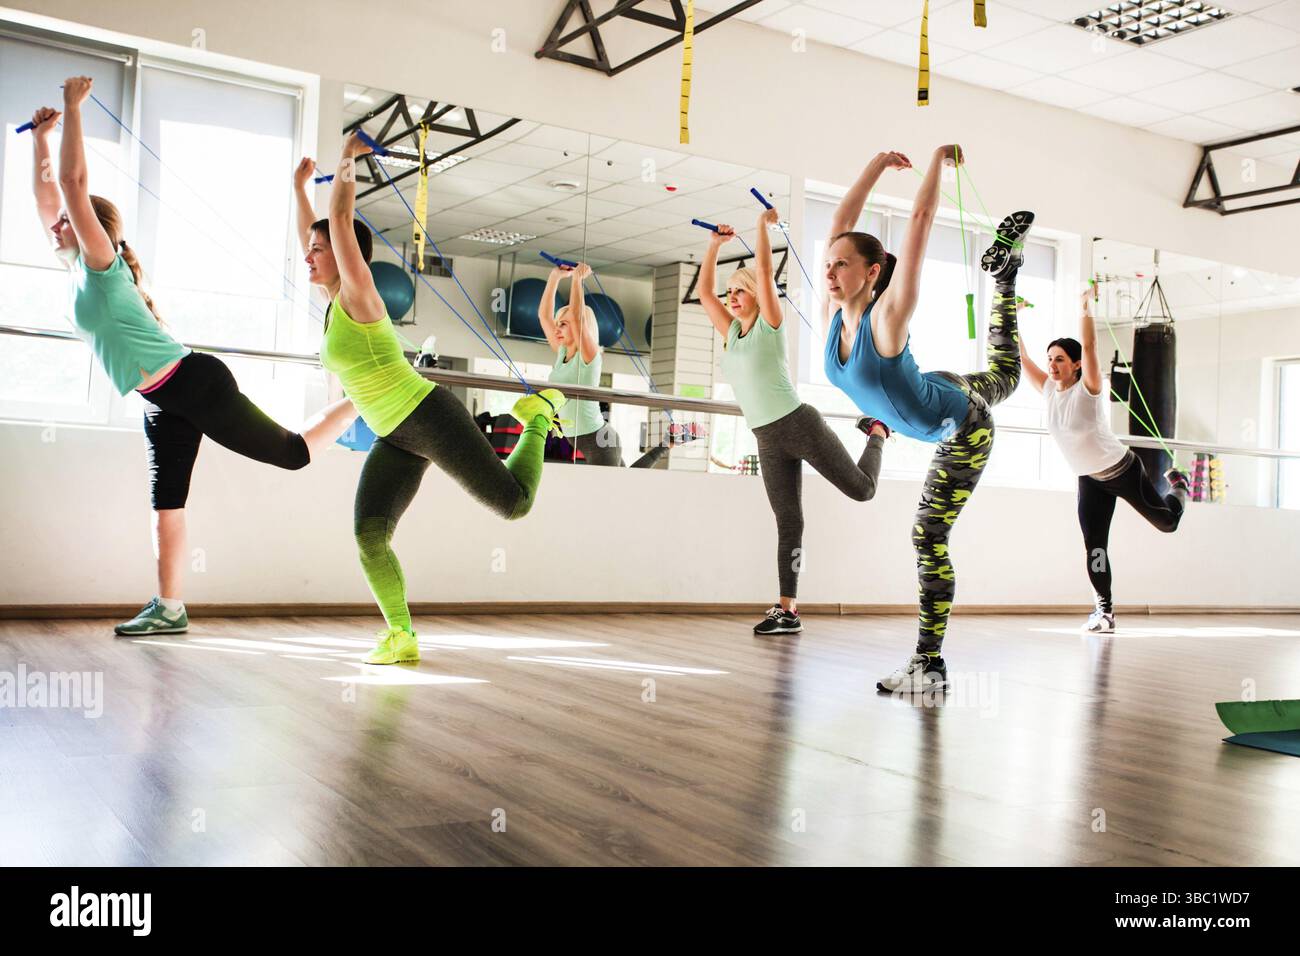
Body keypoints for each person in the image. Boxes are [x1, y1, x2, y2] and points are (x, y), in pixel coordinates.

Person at [30, 77, 357, 638]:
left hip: (194, 383)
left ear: (94, 232)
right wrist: (41, 137)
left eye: (68, 219)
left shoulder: (99, 264)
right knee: (166, 506)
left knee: (293, 455)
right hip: (160, 400)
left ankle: (359, 401)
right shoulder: (73, 270)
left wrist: (71, 109)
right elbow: (48, 195)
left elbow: (71, 183)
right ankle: (170, 607)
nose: (56, 222)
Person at [299, 136, 566, 665]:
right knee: (369, 534)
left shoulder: (360, 294)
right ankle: (401, 635)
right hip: (393, 434)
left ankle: (537, 417)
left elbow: (341, 215)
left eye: (319, 248)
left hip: (427, 415)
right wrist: (295, 188)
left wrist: (346, 160)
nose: (308, 256)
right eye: (308, 248)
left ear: (347, 254)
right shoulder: (330, 302)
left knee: (512, 504)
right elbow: (321, 230)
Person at [821, 145, 1034, 692]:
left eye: (842, 264)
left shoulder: (888, 316)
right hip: (940, 388)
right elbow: (840, 226)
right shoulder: (832, 318)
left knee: (927, 537)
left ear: (872, 273)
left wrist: (937, 163)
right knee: (1007, 372)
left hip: (963, 426)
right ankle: (1006, 277)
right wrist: (872, 165)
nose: (830, 270)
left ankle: (929, 665)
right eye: (829, 262)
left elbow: (919, 220)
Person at [698, 205, 888, 635]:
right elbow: (706, 295)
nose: (732, 297)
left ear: (756, 296)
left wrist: (761, 229)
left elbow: (766, 274)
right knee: (789, 521)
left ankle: (877, 432)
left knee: (862, 490)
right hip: (766, 437)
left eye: (740, 291)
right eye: (732, 292)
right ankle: (788, 609)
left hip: (799, 423)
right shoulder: (731, 332)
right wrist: (713, 247)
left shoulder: (769, 324)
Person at [1020, 287, 1189, 634]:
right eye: (1050, 359)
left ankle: (1180, 486)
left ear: (1077, 364)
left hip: (1123, 470)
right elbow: (1021, 361)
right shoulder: (1050, 390)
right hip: (1089, 478)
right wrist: (1014, 319)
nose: (1052, 365)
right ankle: (1105, 611)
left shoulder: (1090, 388)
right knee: (1095, 546)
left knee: (1167, 524)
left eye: (1060, 360)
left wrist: (1085, 308)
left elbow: (1093, 347)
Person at [538, 261, 677, 468]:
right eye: (558, 324)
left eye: (563, 324)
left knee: (620, 487)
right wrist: (554, 277)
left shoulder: (589, 355)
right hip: (585, 439)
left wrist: (577, 280)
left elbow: (577, 319)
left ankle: (667, 444)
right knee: (625, 481)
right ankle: (668, 443)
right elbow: (544, 316)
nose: (557, 328)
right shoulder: (562, 353)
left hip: (598, 442)